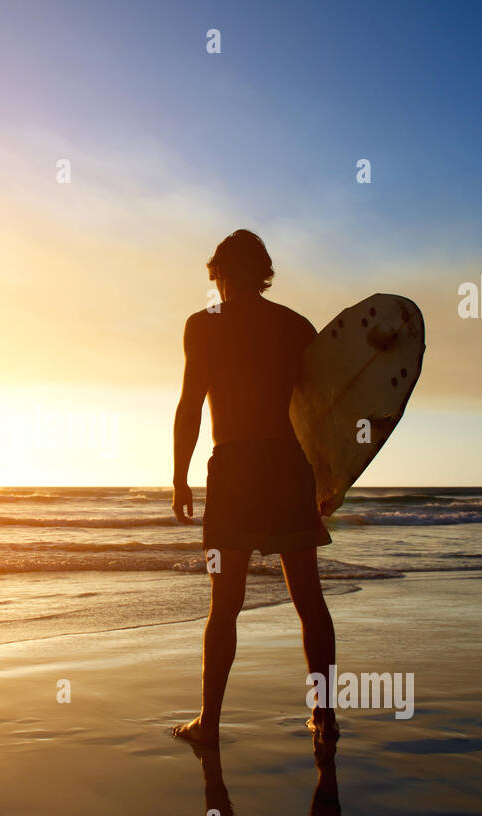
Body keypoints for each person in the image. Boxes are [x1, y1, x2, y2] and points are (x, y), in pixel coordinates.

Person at [171, 229, 337, 747]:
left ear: (220, 273)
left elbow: (190, 404)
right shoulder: (295, 325)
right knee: (309, 599)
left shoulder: (204, 324)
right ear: (263, 274)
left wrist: (179, 476)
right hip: (289, 467)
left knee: (225, 604)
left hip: (236, 469)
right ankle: (325, 718)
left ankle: (209, 724)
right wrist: (329, 476)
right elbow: (324, 411)